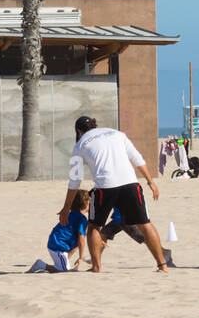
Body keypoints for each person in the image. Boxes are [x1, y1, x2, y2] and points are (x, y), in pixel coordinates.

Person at [59, 116, 170, 273]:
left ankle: (96, 267)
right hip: (131, 184)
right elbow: (137, 159)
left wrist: (66, 208)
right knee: (145, 224)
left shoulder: (80, 144)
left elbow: (75, 181)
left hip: (105, 188)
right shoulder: (117, 134)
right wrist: (151, 182)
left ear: (78, 131)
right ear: (95, 125)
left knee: (94, 227)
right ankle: (162, 265)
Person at [29, 189, 91, 272]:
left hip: (57, 241)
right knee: (63, 270)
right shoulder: (82, 218)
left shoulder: (70, 214)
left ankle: (65, 261)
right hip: (58, 245)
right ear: (86, 204)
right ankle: (41, 265)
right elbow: (81, 238)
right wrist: (80, 257)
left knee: (75, 243)